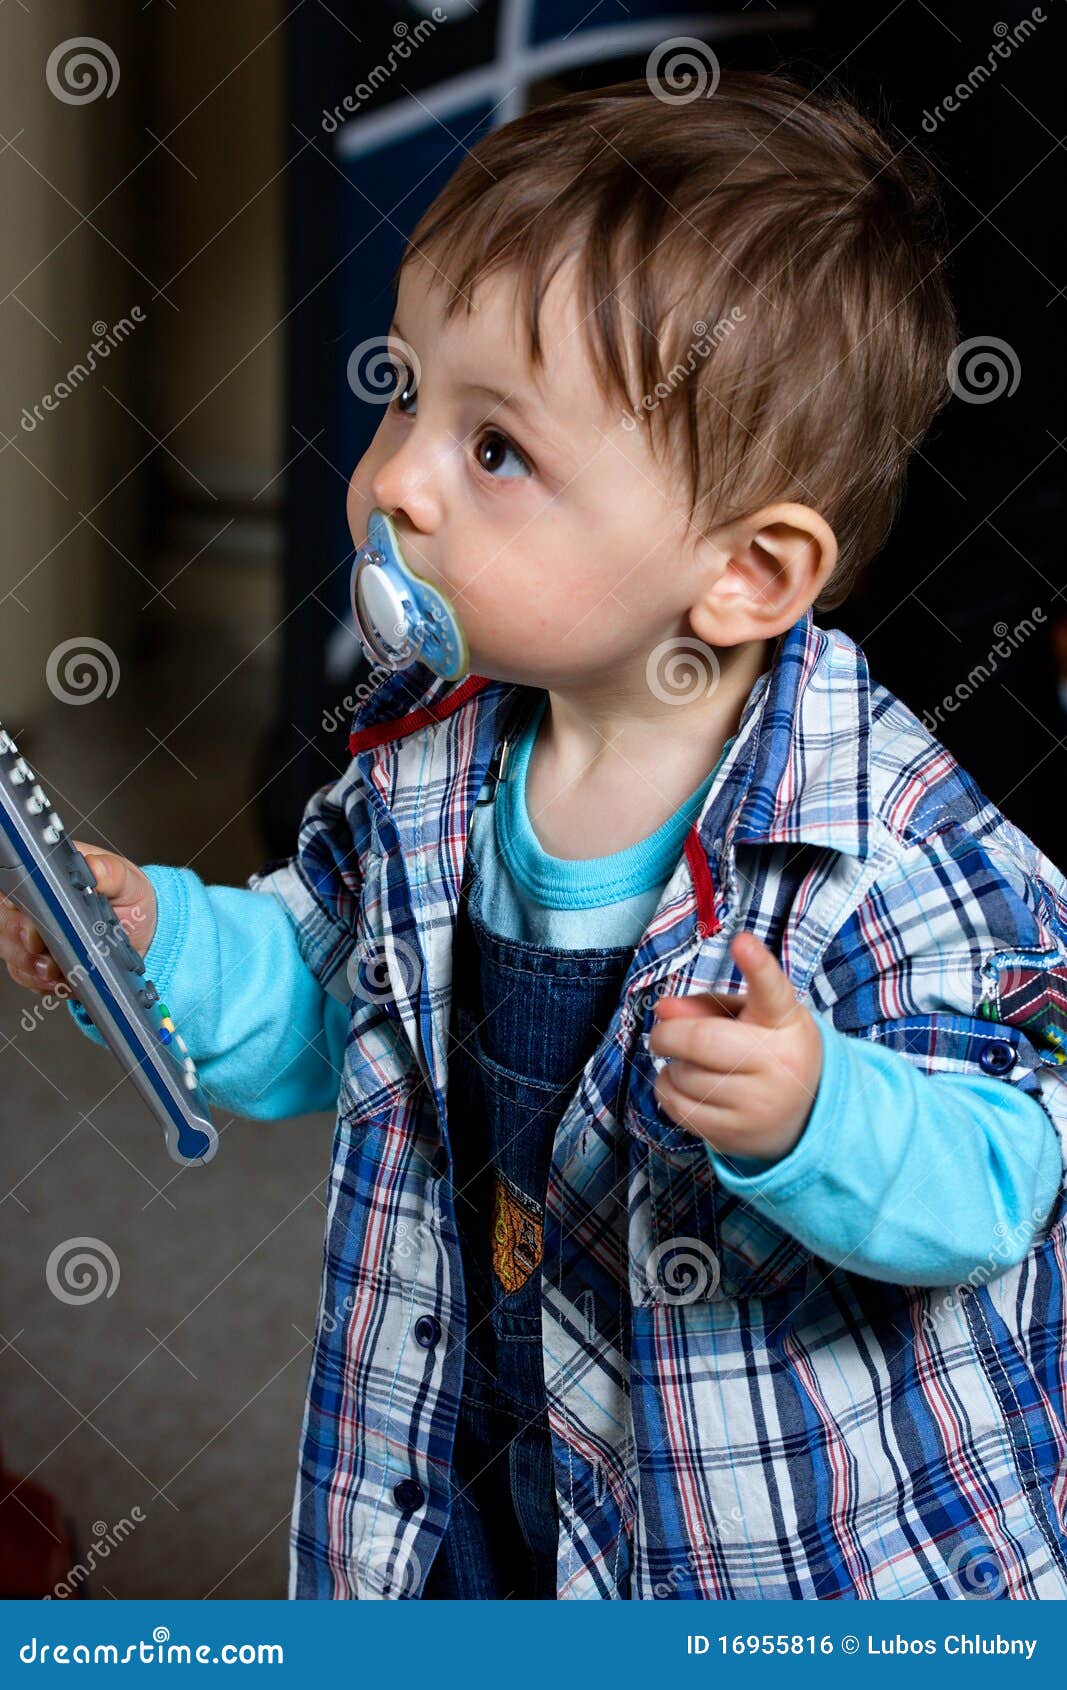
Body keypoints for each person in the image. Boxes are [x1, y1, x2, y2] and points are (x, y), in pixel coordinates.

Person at [5, 72, 1067, 1601]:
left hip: (759, 1545)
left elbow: (1005, 1174)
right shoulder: (427, 753)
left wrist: (816, 1110)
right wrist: (158, 939)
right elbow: (324, 992)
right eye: (402, 394)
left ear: (751, 572)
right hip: (468, 1458)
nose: (401, 484)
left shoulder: (885, 844)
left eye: (495, 450)